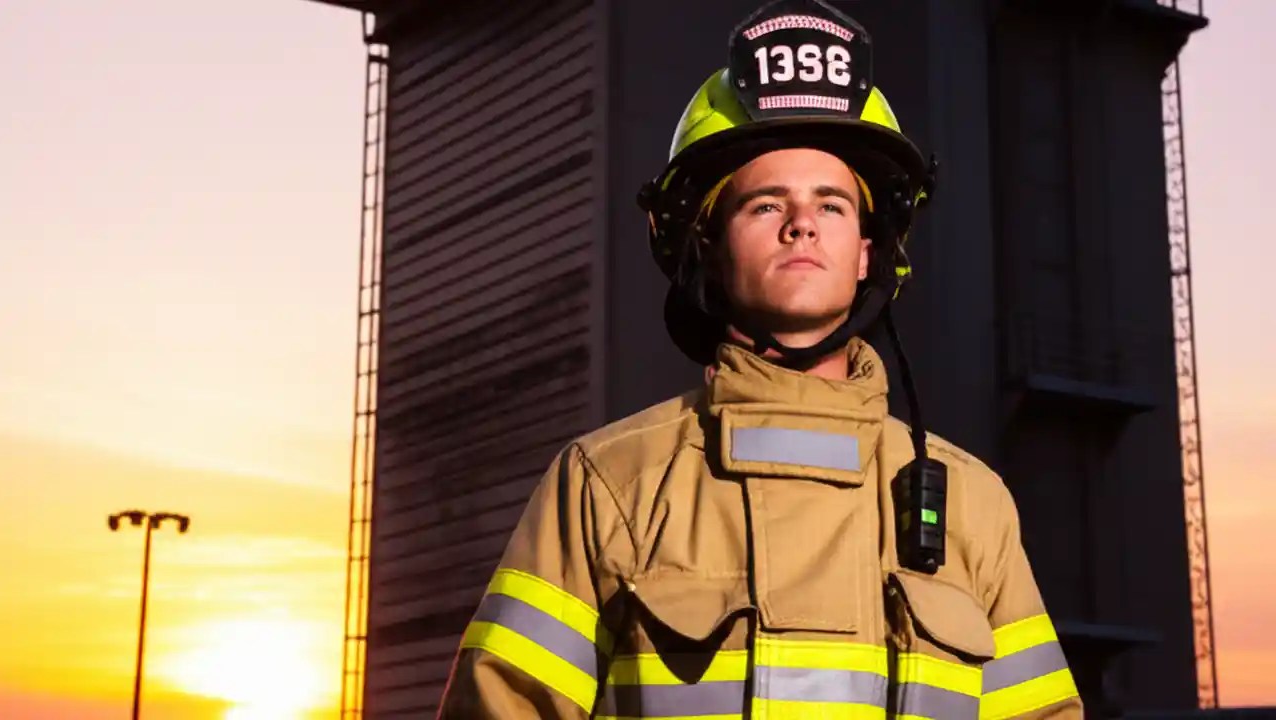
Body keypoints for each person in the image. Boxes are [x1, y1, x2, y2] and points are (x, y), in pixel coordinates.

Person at [437, 0, 1082, 717]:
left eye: (833, 205)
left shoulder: (973, 507)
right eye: (766, 205)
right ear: (706, 244)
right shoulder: (607, 487)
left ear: (872, 250)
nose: (803, 222)